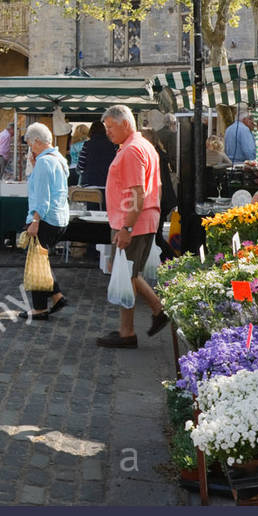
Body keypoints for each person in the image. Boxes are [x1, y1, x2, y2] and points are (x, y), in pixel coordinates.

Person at [97, 105, 168, 349]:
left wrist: (126, 228)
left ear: (125, 124)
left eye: (110, 127)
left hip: (132, 223)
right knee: (128, 273)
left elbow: (137, 193)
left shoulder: (131, 150)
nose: (107, 132)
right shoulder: (145, 146)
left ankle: (141, 322)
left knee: (126, 273)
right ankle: (132, 327)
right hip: (141, 220)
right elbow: (152, 189)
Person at [22, 122, 70, 321]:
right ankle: (56, 297)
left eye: (29, 144)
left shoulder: (43, 162)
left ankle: (40, 309)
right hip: (60, 218)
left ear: (37, 142)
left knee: (36, 262)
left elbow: (42, 196)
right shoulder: (59, 158)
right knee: (41, 261)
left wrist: (35, 219)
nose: (29, 149)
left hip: (46, 219)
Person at [141, 129, 178, 263]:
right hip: (163, 200)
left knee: (156, 236)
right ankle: (170, 260)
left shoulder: (154, 155)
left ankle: (171, 260)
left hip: (161, 200)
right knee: (156, 235)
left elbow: (158, 182)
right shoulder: (159, 154)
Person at [77, 119, 116, 189]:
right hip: (107, 183)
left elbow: (81, 165)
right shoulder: (112, 145)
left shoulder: (87, 144)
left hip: (89, 183)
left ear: (91, 131)